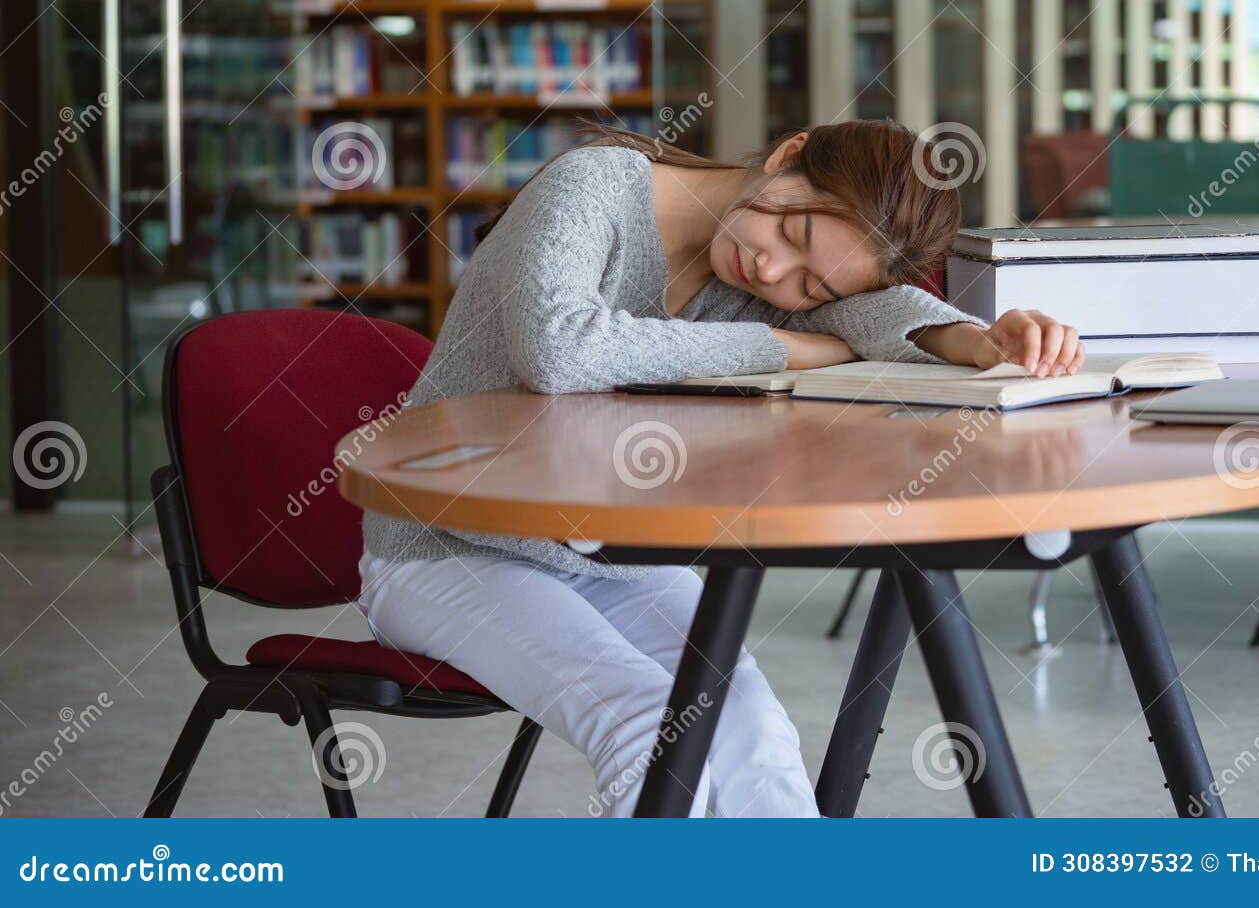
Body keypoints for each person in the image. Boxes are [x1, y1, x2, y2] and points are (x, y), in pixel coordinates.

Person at [357, 119, 1082, 816]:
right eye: (793, 231)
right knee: (648, 728)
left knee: (756, 733)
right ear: (787, 154)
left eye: (813, 288)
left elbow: (878, 316)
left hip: (611, 556)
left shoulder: (758, 281)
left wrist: (979, 340)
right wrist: (781, 345)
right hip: (446, 547)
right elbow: (561, 352)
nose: (772, 270)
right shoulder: (595, 185)